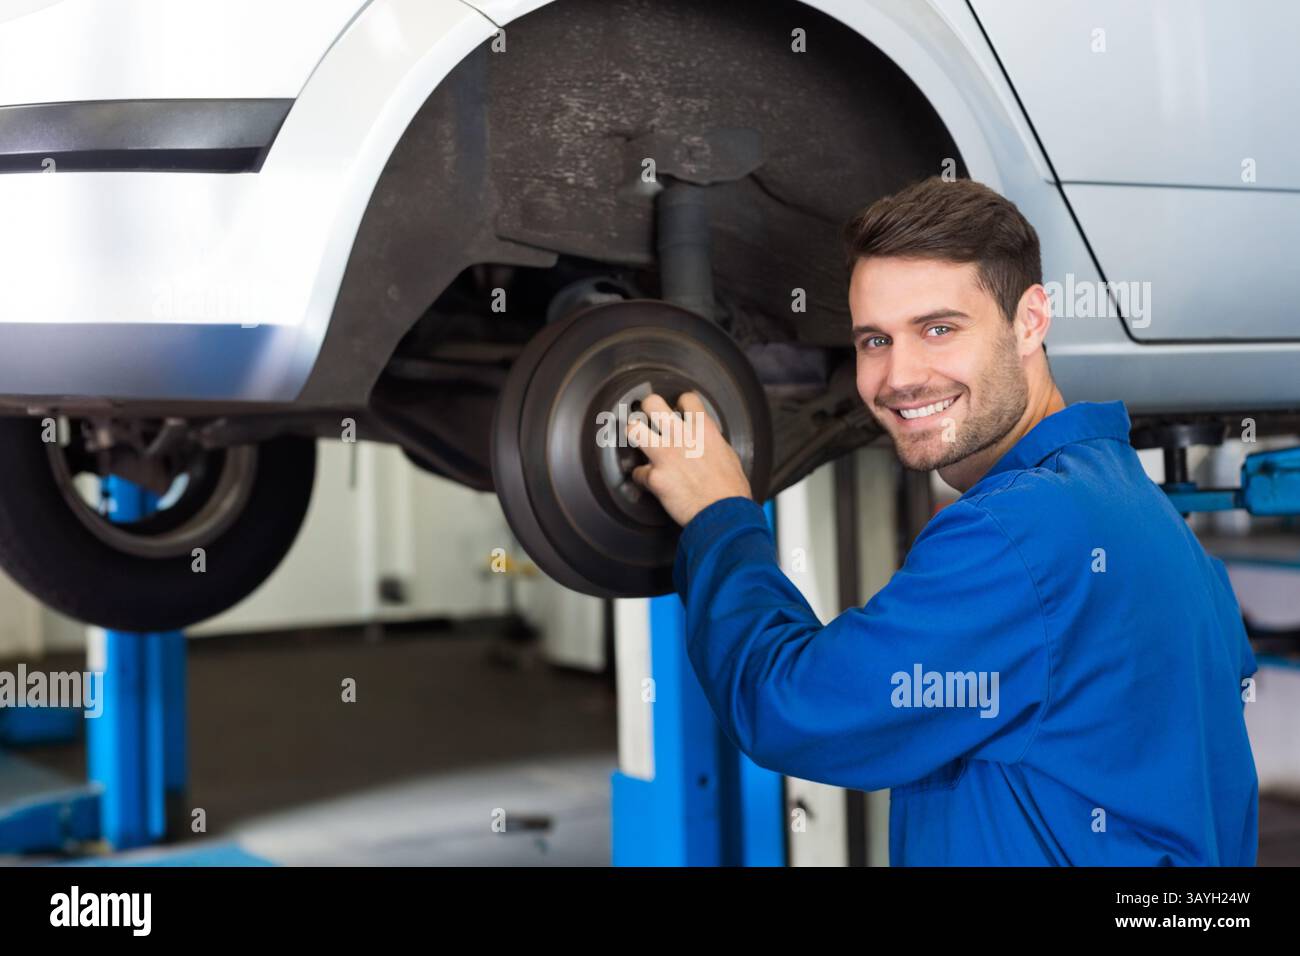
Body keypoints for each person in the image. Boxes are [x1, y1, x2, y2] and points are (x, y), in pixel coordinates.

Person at [625, 176, 1258, 865]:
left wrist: (719, 513)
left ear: (1031, 320)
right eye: (873, 341)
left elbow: (791, 707)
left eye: (938, 329)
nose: (899, 376)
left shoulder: (1019, 531)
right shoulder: (1145, 515)